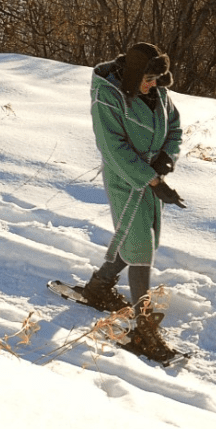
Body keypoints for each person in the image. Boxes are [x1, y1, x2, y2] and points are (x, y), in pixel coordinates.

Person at [77, 41, 184, 360]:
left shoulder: (158, 92)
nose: (154, 85)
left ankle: (99, 286)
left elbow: (175, 128)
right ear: (133, 74)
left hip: (151, 175)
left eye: (157, 79)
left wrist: (167, 157)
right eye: (148, 79)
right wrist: (150, 179)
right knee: (140, 246)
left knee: (140, 238)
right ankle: (144, 329)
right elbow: (112, 148)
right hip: (126, 178)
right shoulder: (107, 97)